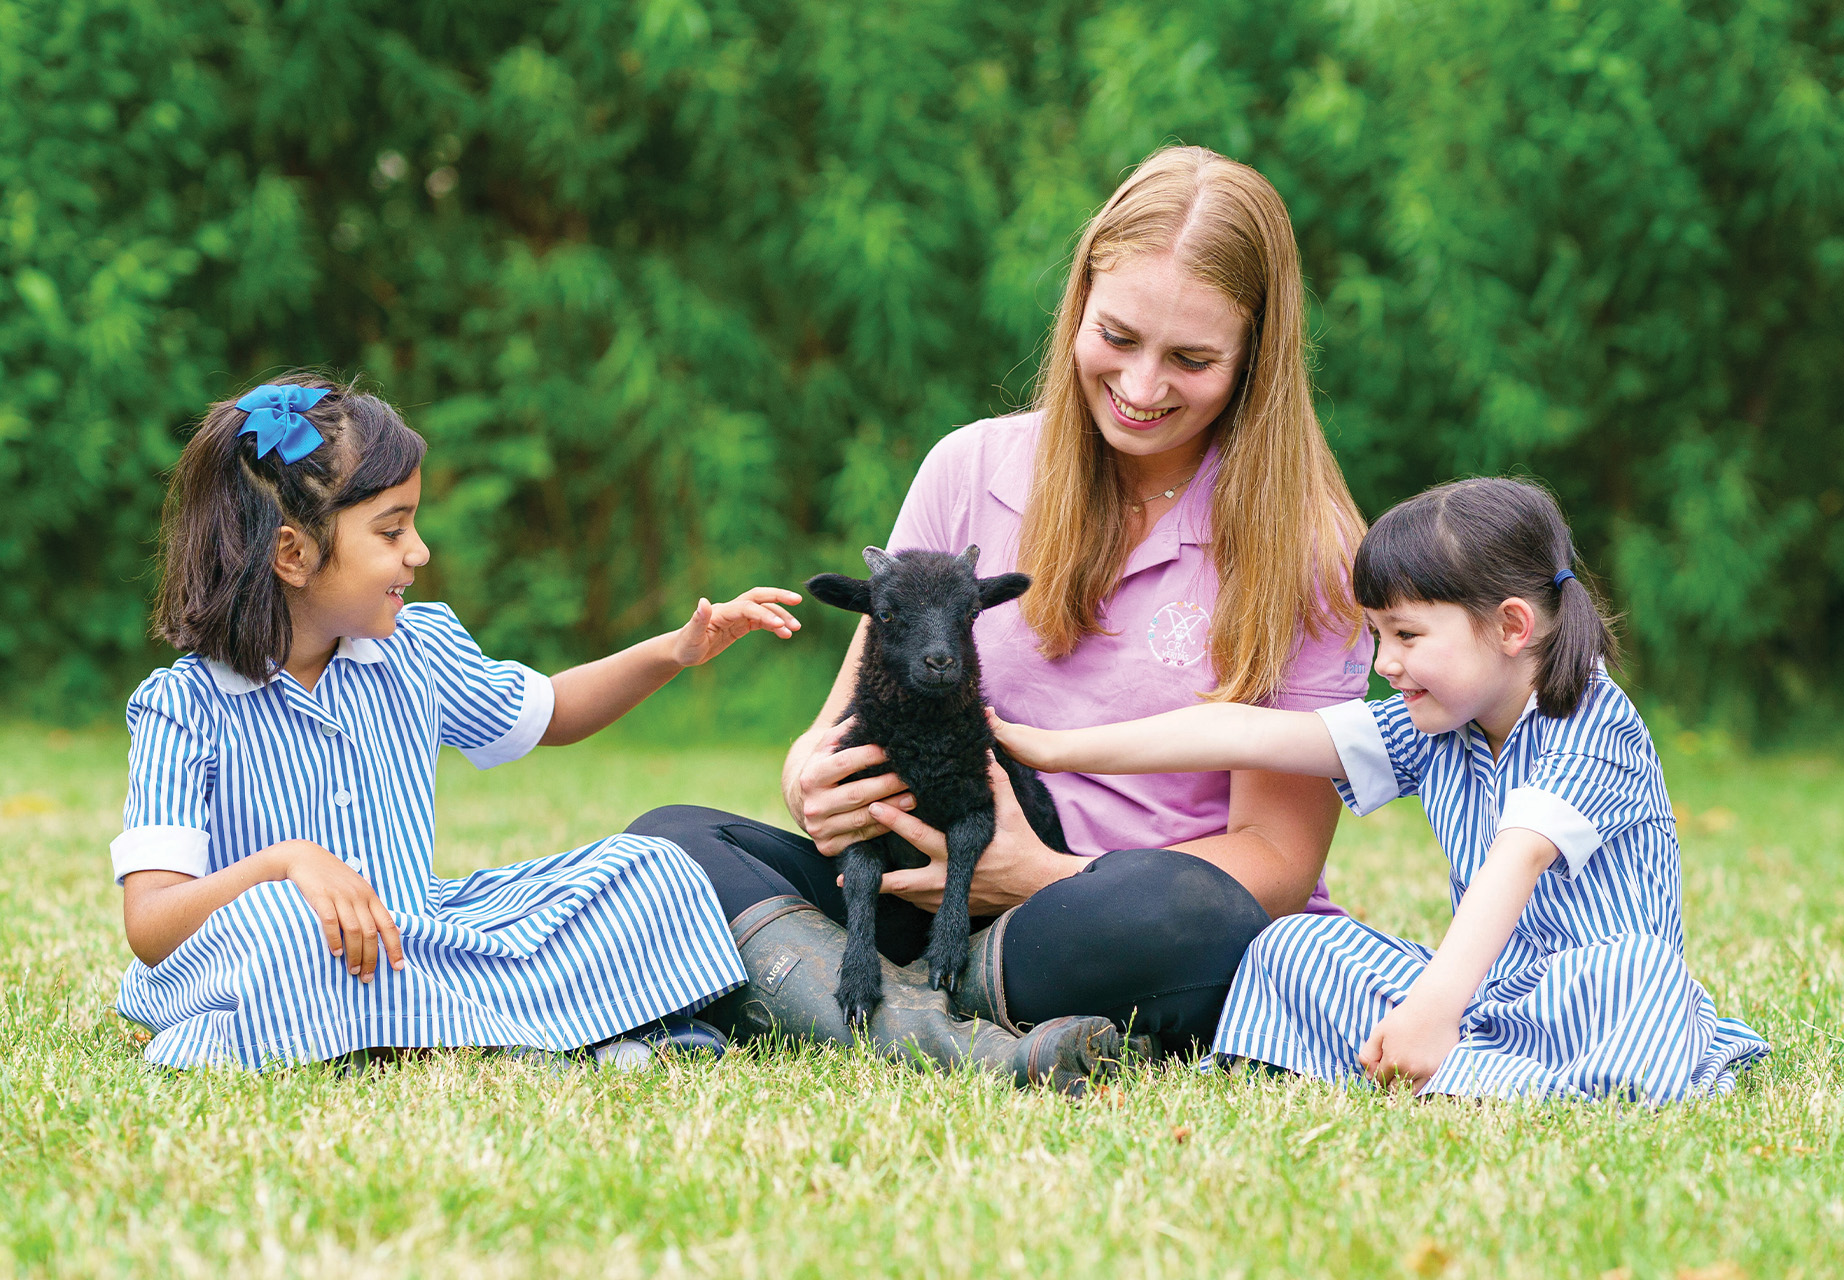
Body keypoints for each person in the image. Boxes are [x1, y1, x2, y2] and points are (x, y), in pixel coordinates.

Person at [629, 145, 1374, 1081]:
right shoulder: (968, 470)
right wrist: (812, 782)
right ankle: (945, 1033)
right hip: (919, 878)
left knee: (1202, 920)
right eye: (1117, 337)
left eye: (1191, 359)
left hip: (1105, 914)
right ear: (1078, 307)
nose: (1142, 389)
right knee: (670, 846)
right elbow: (834, 729)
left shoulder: (1313, 550)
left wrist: (1037, 878)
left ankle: (821, 995)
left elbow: (1277, 859)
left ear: (1256, 359)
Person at [991, 476, 1771, 1102]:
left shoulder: (1592, 723)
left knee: (1638, 976)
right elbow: (1251, 733)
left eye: (1405, 635)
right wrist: (1055, 750)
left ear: (1509, 627)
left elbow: (1515, 866)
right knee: (1296, 941)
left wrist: (1434, 1008)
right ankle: (1465, 1073)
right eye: (1375, 637)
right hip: (1486, 995)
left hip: (1587, 1003)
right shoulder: (1441, 720)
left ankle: (1476, 1075)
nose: (1384, 664)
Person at [115, 374, 804, 1070]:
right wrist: (286, 865)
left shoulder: (417, 648)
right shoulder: (184, 709)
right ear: (293, 554)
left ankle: (439, 1038)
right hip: (276, 956)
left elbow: (553, 713)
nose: (419, 551)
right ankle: (535, 1038)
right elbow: (150, 925)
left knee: (653, 868)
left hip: (421, 936)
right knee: (288, 930)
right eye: (391, 530)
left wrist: (674, 651)